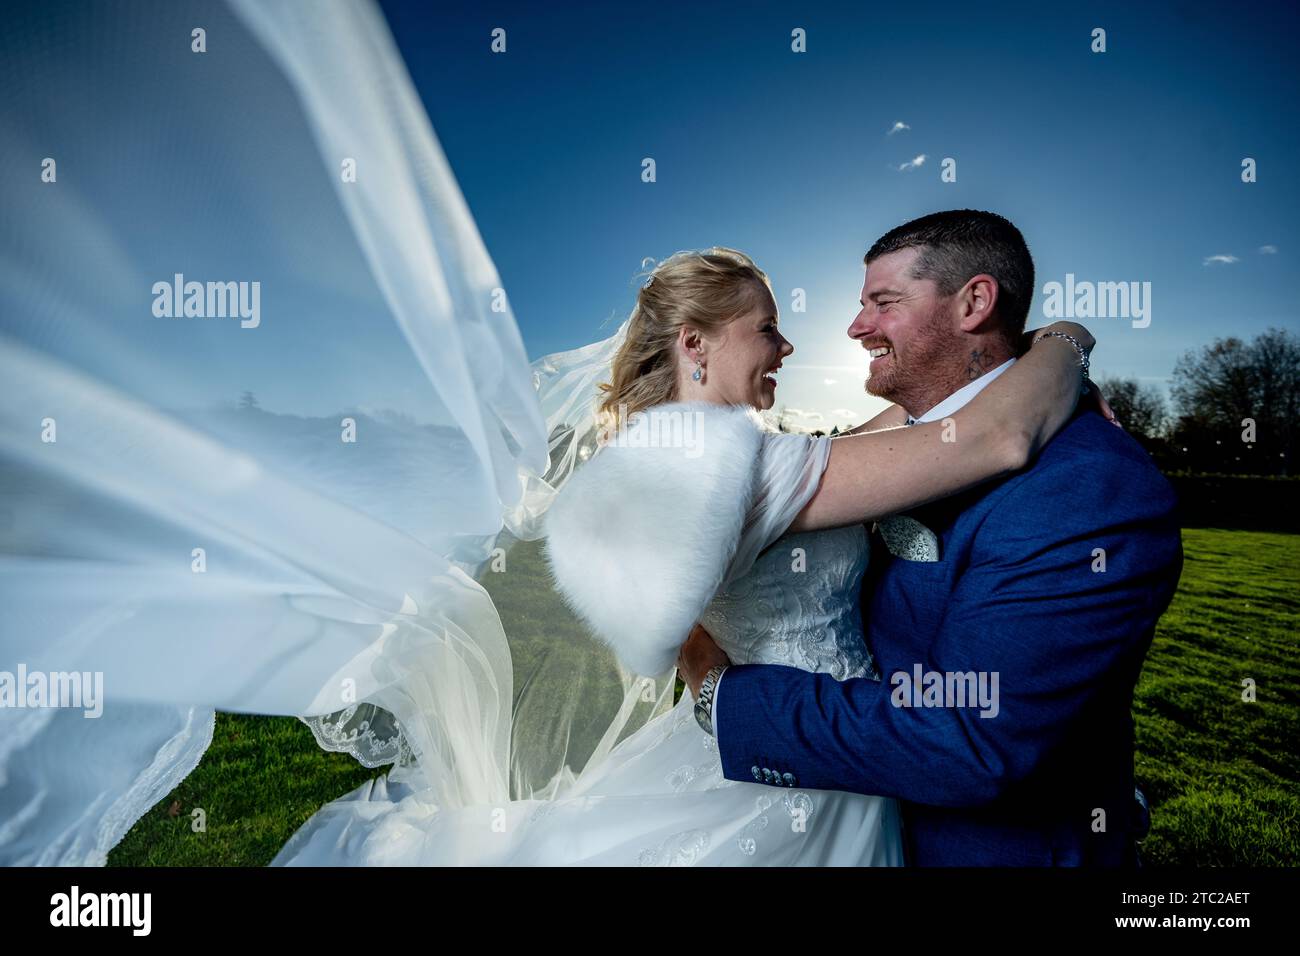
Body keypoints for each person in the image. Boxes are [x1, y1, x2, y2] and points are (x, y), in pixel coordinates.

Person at [677, 211, 1183, 866]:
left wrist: (724, 697)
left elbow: (969, 741)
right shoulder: (865, 450)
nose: (856, 327)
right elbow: (978, 420)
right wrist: (1062, 343)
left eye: (882, 304)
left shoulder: (1090, 488)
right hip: (835, 823)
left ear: (975, 300)